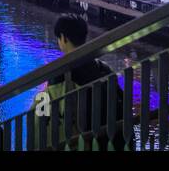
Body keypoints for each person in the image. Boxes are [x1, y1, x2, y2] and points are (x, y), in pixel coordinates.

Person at [40, 13, 128, 151]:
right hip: (112, 139)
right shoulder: (103, 69)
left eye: (58, 38)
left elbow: (44, 114)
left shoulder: (59, 76)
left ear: (63, 38)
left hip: (85, 140)